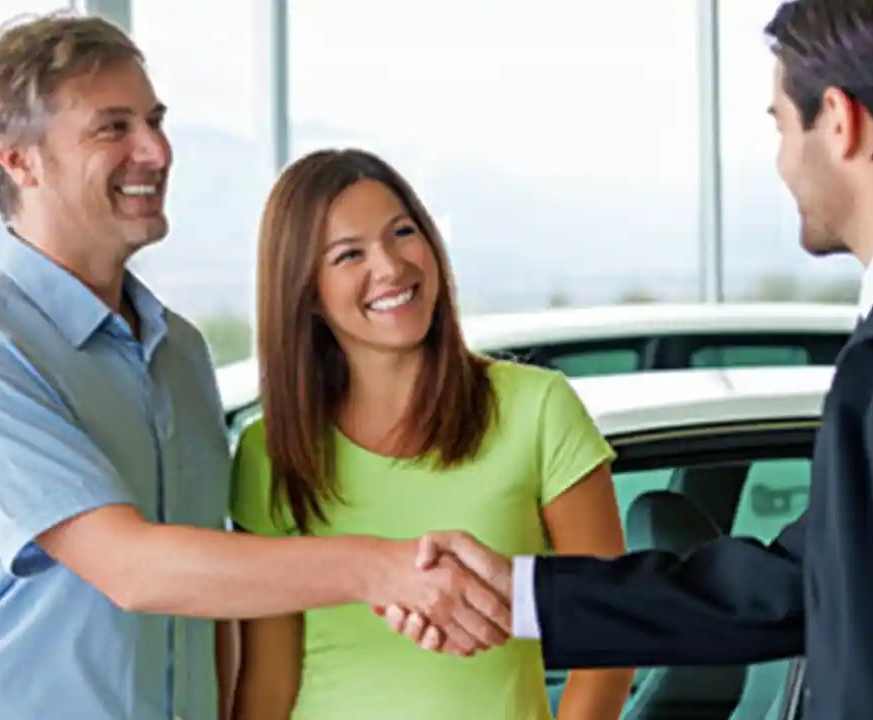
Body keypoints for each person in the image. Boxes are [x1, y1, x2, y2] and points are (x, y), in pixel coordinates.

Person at [387, 1, 873, 717]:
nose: (782, 161)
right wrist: (519, 593)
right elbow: (806, 584)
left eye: (783, 126)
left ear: (841, 121)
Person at [0, 14, 508, 720]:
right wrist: (387, 569)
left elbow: (211, 594)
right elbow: (134, 568)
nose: (155, 151)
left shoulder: (177, 349)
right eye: (112, 128)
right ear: (20, 161)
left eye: (154, 121)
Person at [224, 148, 633, 719]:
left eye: (403, 232)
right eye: (349, 254)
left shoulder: (538, 408)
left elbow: (610, 637)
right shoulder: (269, 452)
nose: (391, 267)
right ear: (306, 292)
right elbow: (268, 680)